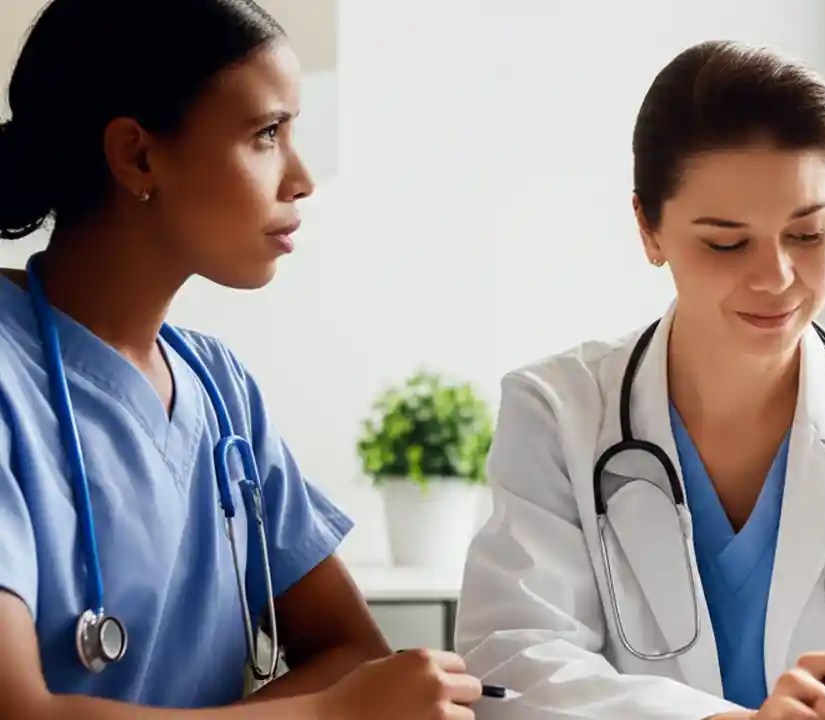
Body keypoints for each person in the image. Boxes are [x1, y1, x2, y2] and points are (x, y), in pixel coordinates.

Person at [454, 39, 825, 720]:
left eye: (808, 234)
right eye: (726, 243)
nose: (776, 277)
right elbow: (516, 662)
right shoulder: (559, 412)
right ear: (648, 228)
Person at [0, 1, 479, 718]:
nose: (302, 177)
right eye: (266, 134)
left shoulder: (220, 389)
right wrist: (329, 713)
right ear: (137, 156)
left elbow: (351, 649)